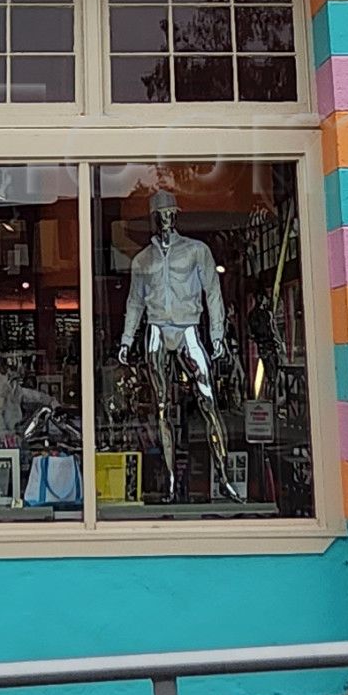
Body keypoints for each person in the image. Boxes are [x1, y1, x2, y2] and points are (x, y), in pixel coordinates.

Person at [118, 191, 236, 502]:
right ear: (153, 218)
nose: (166, 218)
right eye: (161, 213)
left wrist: (217, 335)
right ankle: (170, 482)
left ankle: (224, 475)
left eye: (171, 212)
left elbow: (213, 292)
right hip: (156, 329)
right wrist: (127, 339)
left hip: (188, 329)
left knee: (208, 400)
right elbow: (134, 303)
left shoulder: (197, 251)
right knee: (160, 409)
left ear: (177, 214)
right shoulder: (142, 260)